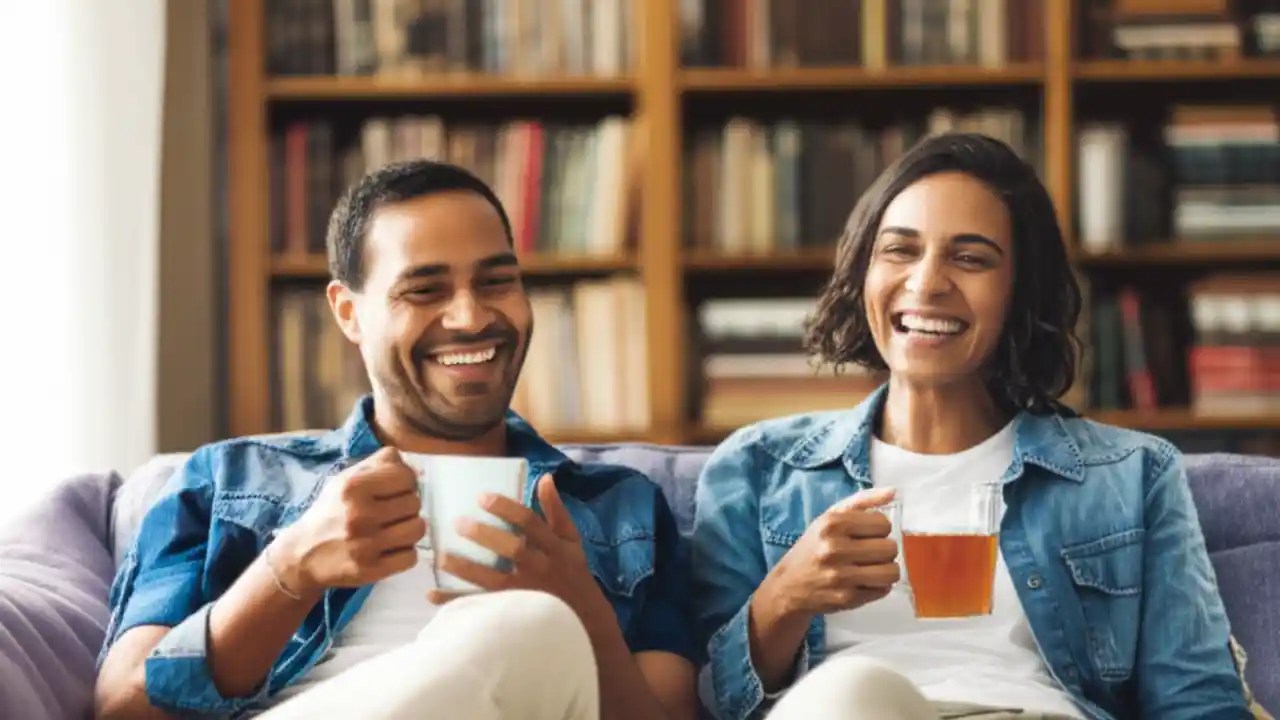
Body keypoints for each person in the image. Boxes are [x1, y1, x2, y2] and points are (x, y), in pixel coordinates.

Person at [94, 160, 699, 720]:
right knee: (532, 627)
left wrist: (585, 613)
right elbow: (124, 707)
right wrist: (288, 571)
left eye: (497, 281)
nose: (470, 317)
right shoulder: (230, 483)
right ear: (349, 312)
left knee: (534, 629)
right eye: (425, 290)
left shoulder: (622, 509)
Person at [691, 133, 1253, 720]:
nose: (927, 283)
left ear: (1018, 293)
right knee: (851, 694)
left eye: (970, 257)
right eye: (900, 251)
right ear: (864, 271)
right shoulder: (757, 468)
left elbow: (1199, 705)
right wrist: (784, 598)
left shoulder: (1133, 475)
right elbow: (710, 705)